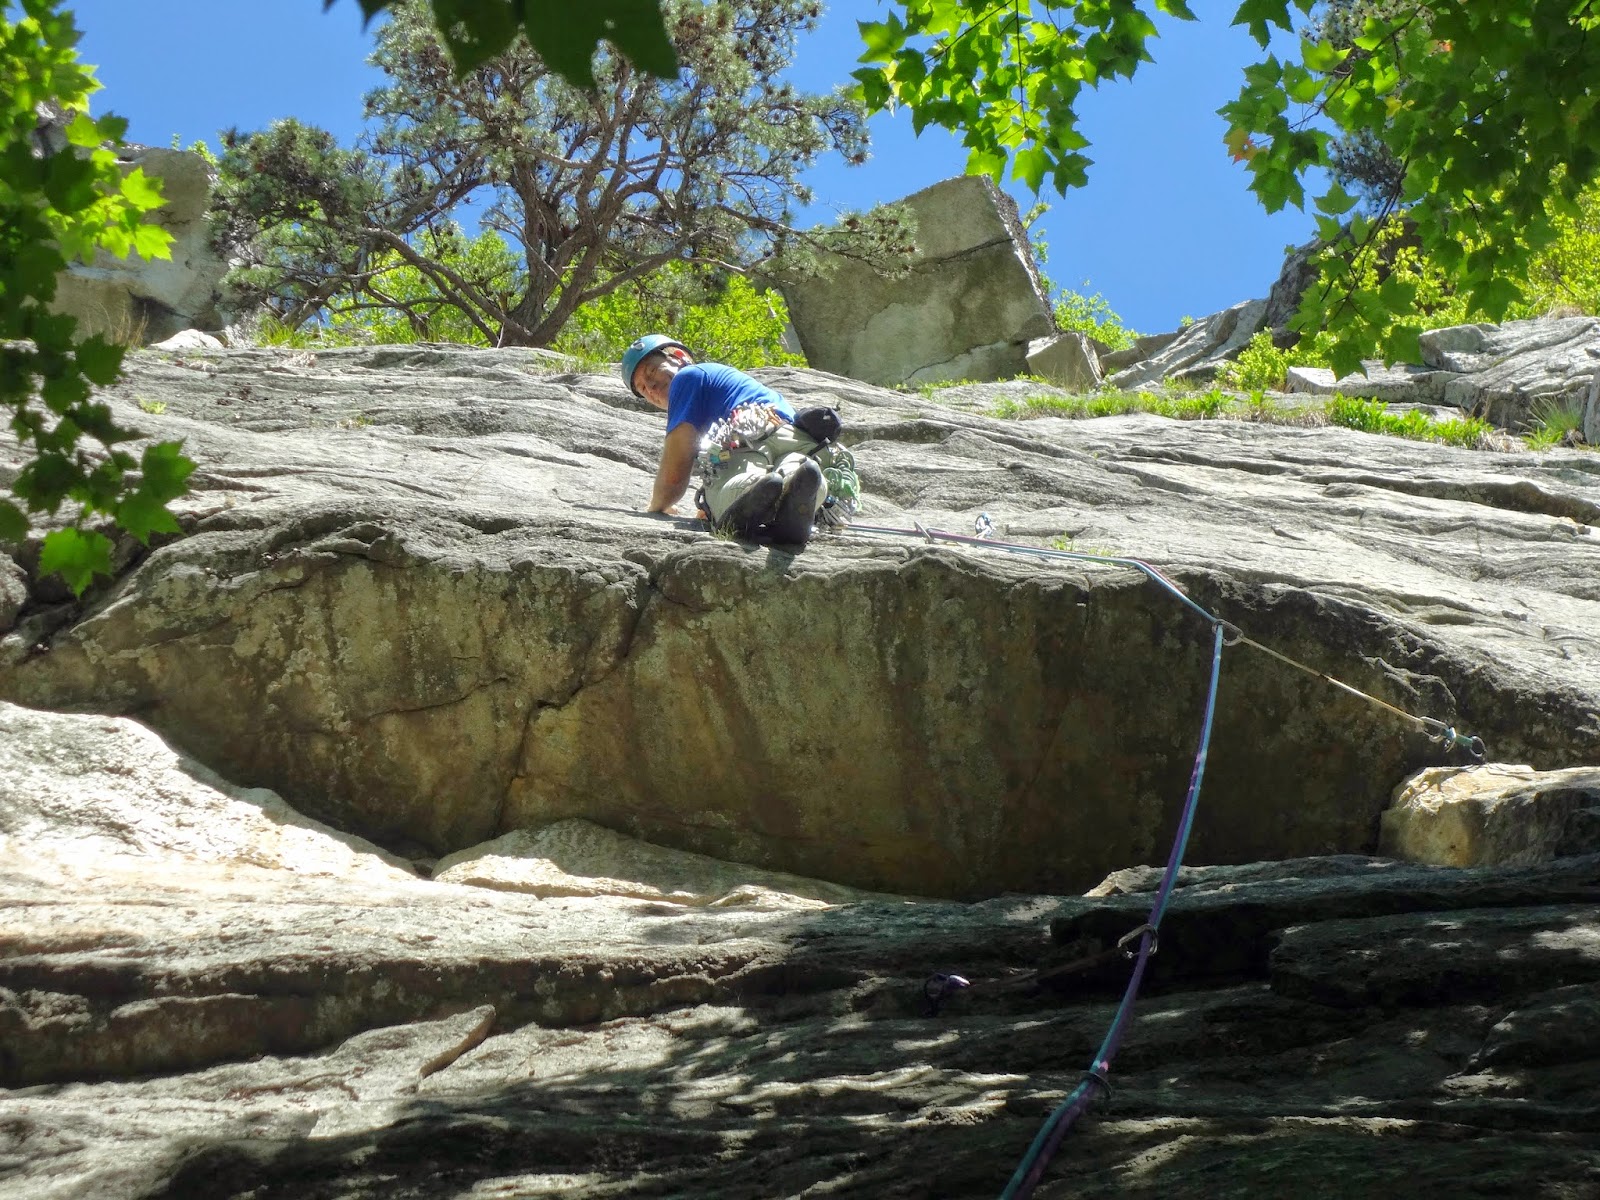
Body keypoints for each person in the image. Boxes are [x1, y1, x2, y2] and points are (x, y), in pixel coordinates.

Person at [622, 333, 829, 545]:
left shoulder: (687, 377)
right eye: (643, 389)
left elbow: (674, 475)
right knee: (796, 475)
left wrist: (657, 506)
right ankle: (801, 484)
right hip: (797, 439)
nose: (652, 386)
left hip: (746, 441)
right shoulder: (730, 382)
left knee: (741, 488)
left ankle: (757, 489)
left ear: (677, 356)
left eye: (652, 371)